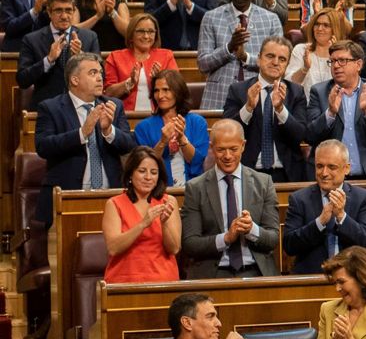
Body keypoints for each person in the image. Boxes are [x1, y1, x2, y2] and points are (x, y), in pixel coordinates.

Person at [33, 52, 133, 224]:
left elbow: (129, 145)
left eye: (100, 73)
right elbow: (43, 146)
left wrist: (109, 130)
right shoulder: (51, 108)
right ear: (74, 80)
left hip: (111, 194)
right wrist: (81, 133)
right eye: (92, 73)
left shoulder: (113, 105)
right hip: (67, 196)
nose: (100, 78)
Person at [178, 119, 279, 277]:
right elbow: (190, 244)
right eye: (221, 150)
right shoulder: (195, 187)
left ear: (243, 146)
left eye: (233, 149)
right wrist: (225, 238)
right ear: (211, 148)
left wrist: (251, 229)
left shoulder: (263, 183)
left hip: (256, 272)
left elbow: (273, 238)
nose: (227, 156)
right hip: (213, 273)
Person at [305, 40, 366, 180]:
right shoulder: (319, 92)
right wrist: (330, 113)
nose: (336, 66)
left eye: (342, 60)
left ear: (358, 64)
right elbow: (309, 136)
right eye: (333, 61)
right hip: (330, 178)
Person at [222, 36, 310, 183]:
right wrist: (248, 107)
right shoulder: (238, 90)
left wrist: (280, 109)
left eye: (282, 59)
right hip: (247, 173)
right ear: (258, 59)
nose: (275, 62)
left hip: (286, 174)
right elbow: (226, 133)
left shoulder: (296, 92)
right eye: (270, 56)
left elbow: (300, 134)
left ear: (287, 65)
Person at [196, 0, 284, 110]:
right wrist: (229, 47)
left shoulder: (271, 19)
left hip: (259, 95)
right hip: (219, 96)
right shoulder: (211, 17)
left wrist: (246, 57)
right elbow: (203, 64)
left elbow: (278, 65)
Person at [283, 140, 366, 274]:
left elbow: (365, 241)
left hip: (352, 276)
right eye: (319, 166)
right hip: (312, 278)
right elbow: (289, 245)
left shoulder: (362, 198)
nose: (324, 173)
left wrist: (341, 216)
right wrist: (319, 222)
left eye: (332, 167)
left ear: (347, 168)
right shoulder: (299, 199)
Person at [102, 147, 180, 283]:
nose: (148, 177)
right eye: (142, 171)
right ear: (131, 174)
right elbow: (113, 248)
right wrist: (143, 224)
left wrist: (164, 223)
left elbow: (174, 248)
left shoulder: (168, 201)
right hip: (124, 280)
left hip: (163, 280)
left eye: (154, 172)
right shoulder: (114, 204)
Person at [18, 0, 102, 106]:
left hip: (82, 106)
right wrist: (48, 60)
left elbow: (101, 76)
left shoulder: (89, 37)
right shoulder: (32, 40)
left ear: (74, 11)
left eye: (68, 10)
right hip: (46, 108)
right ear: (49, 12)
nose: (64, 16)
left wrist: (82, 57)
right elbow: (22, 80)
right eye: (58, 11)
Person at [134, 70, 209, 187]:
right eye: (156, 91)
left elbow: (197, 161)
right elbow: (145, 166)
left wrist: (182, 139)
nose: (160, 96)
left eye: (166, 90)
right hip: (158, 189)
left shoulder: (198, 122)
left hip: (193, 188)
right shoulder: (143, 128)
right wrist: (162, 142)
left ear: (178, 91)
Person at [102, 13, 176, 113]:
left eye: (151, 32)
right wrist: (129, 82)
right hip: (124, 117)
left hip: (160, 116)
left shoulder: (166, 56)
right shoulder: (115, 57)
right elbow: (107, 94)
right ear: (131, 34)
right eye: (141, 31)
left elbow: (177, 89)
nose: (146, 36)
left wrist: (159, 78)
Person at [286, 7, 350, 97]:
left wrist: (336, 57)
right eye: (317, 24)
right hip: (304, 106)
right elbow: (290, 84)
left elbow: (348, 85)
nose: (319, 28)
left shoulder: (345, 54)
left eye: (326, 25)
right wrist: (304, 68)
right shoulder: (301, 50)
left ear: (335, 29)